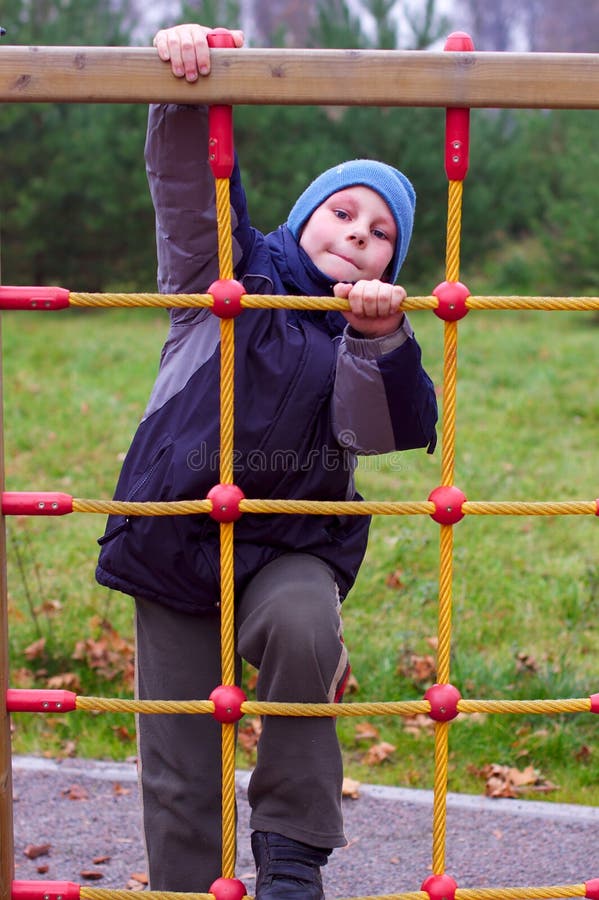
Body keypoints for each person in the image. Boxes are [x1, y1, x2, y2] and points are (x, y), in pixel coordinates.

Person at [96, 23, 438, 900]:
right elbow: (186, 190)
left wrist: (381, 335)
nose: (358, 236)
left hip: (288, 545)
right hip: (177, 541)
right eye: (342, 212)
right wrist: (188, 91)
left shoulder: (362, 330)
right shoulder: (224, 272)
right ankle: (184, 887)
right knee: (178, 752)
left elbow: (383, 431)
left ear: (389, 265)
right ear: (303, 215)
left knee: (304, 630)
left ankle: (291, 855)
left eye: (380, 234)